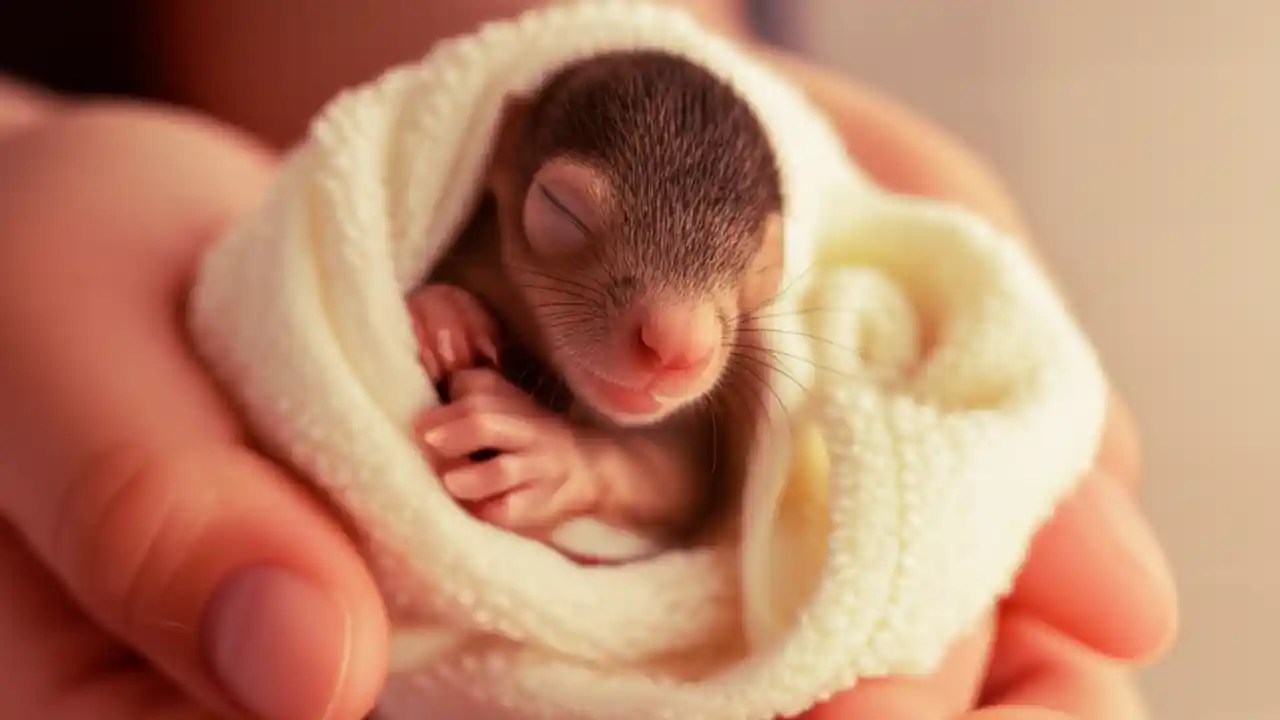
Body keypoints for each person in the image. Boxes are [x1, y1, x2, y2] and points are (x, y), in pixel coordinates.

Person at [0, 2, 1176, 718]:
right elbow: (397, 237)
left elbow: (696, 486)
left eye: (736, 287)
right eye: (567, 220)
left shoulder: (732, 351)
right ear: (503, 162)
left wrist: (593, 471)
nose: (674, 340)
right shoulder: (469, 219)